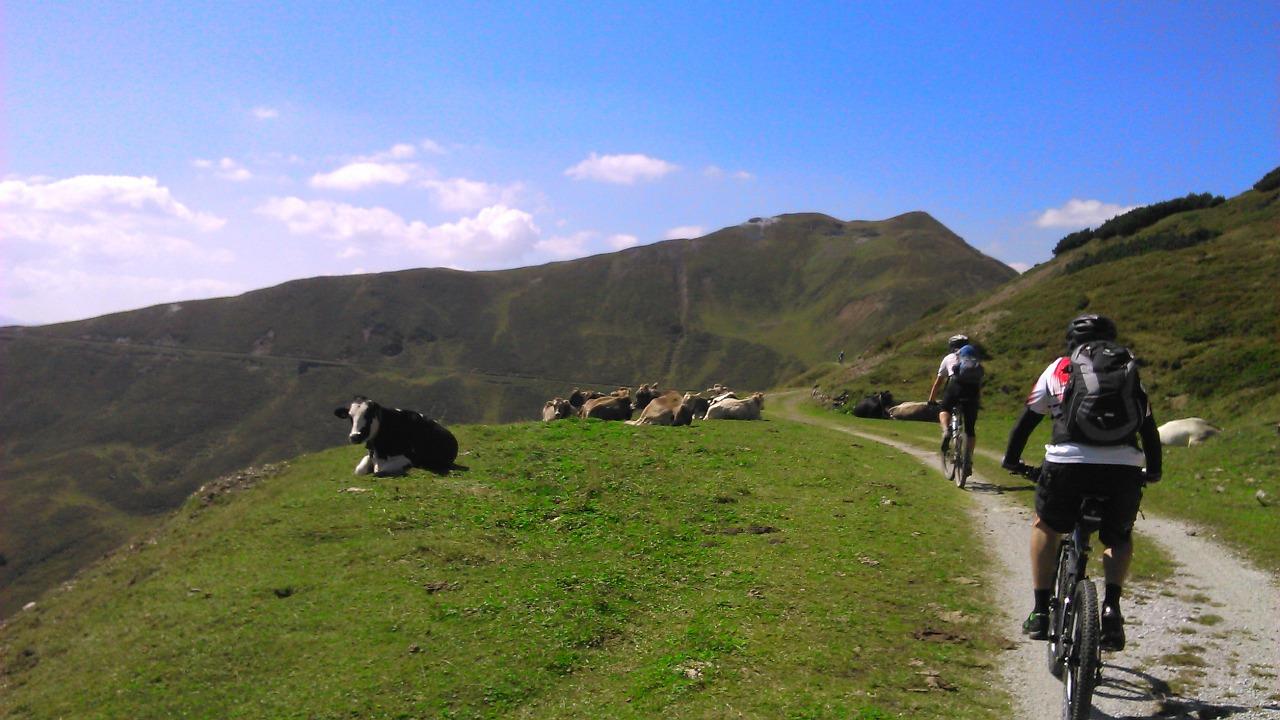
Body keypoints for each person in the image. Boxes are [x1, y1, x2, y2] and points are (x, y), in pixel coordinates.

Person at [1001, 314, 1162, 652]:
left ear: (1070, 340)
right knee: (1118, 536)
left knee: (1046, 524)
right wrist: (1154, 470)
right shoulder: (1127, 369)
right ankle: (1112, 609)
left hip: (1067, 465)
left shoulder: (1059, 367)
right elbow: (1147, 426)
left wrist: (1011, 460)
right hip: (1122, 468)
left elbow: (1027, 420)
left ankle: (1041, 611)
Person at [927, 334, 982, 475]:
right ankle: (968, 460)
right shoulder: (973, 358)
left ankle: (946, 431)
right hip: (972, 391)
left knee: (944, 408)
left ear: (951, 346)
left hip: (955, 386)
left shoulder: (948, 358)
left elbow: (938, 382)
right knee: (970, 429)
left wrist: (931, 400)